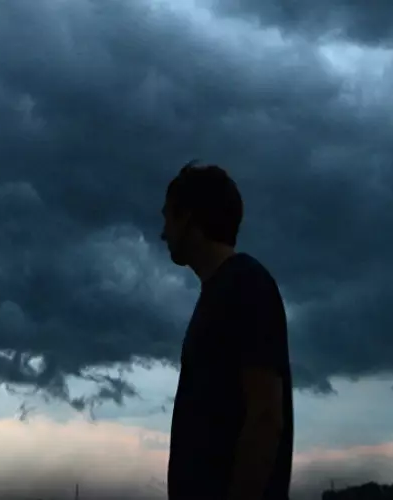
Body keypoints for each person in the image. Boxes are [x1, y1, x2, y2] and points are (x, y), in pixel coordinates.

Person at [162, 161, 294, 500]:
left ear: (188, 217)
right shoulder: (220, 291)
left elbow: (266, 416)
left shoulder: (246, 285)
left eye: (168, 217)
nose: (164, 232)